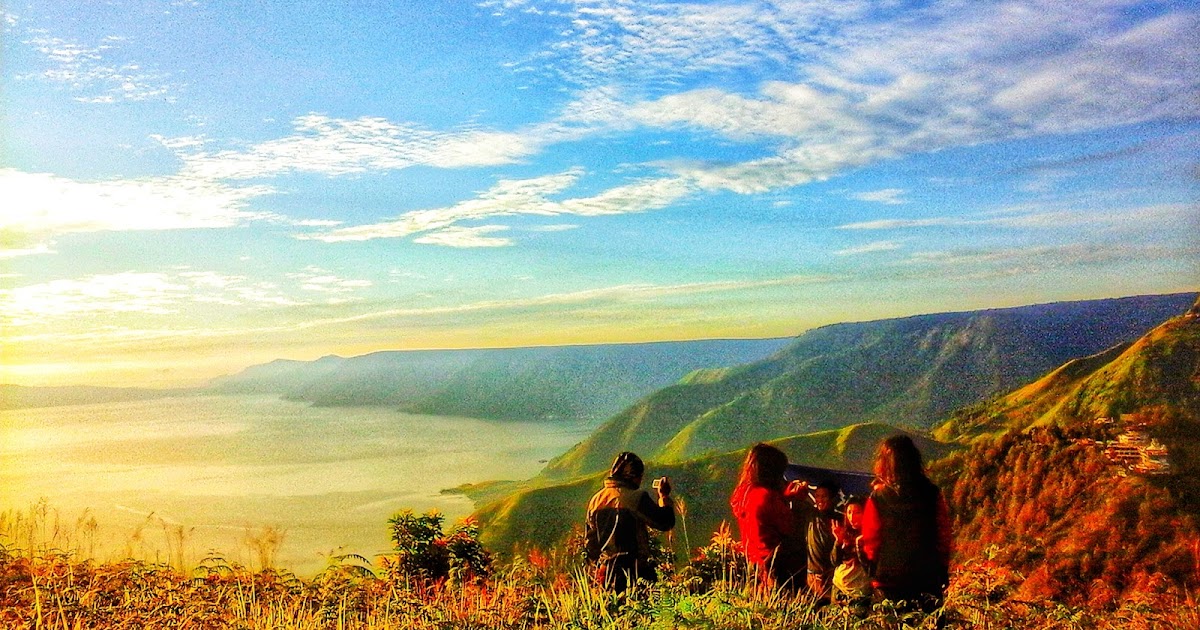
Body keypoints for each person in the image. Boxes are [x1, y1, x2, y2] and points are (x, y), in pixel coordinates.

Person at [860, 435, 952, 613]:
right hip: (927, 576)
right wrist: (941, 567)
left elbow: (871, 540)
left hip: (889, 579)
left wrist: (874, 567)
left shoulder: (878, 498)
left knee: (895, 622)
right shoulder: (931, 493)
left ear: (884, 463)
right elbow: (943, 535)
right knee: (928, 621)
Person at [585, 451, 675, 592]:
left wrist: (598, 567)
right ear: (634, 476)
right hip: (635, 571)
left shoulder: (596, 500)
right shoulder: (636, 497)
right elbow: (665, 522)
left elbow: (590, 543)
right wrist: (664, 497)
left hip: (607, 572)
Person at [730, 443, 811, 593]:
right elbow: (789, 527)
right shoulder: (766, 497)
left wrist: (784, 498)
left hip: (754, 561)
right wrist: (798, 502)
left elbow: (764, 518)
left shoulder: (743, 492)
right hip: (777, 564)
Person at [831, 496, 871, 614]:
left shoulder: (869, 535)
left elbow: (869, 566)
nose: (852, 517)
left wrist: (859, 547)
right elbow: (834, 561)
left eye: (857, 512)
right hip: (839, 588)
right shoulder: (845, 533)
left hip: (859, 592)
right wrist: (838, 542)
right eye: (849, 512)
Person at [806, 480, 841, 605]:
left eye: (824, 496)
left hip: (831, 575)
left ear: (833, 499)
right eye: (817, 496)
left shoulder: (840, 520)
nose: (820, 500)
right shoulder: (811, 515)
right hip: (812, 576)